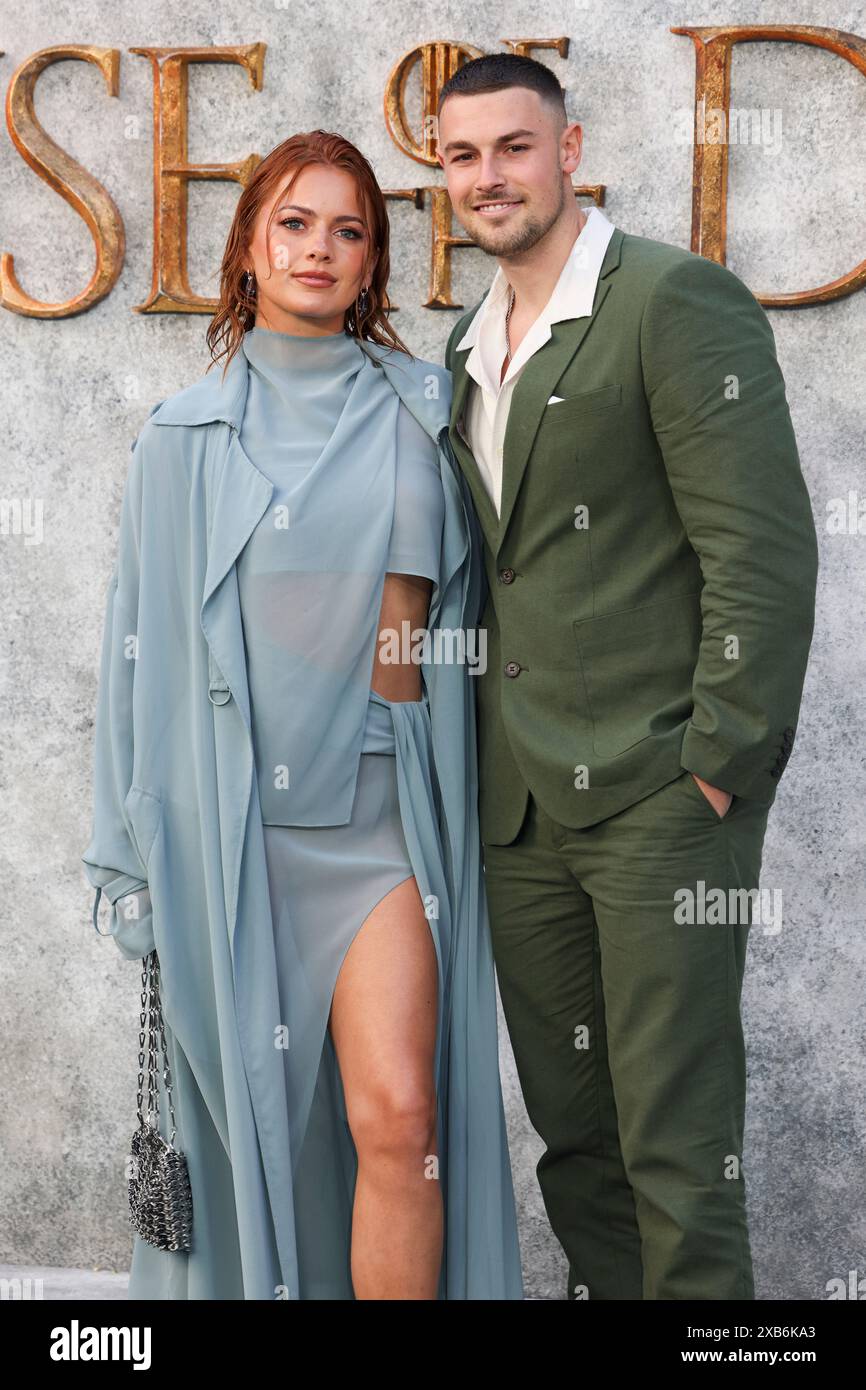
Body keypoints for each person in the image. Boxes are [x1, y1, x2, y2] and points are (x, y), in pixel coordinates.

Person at [81, 129, 524, 1301]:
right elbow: (136, 659)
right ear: (246, 245)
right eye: (293, 222)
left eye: (348, 229)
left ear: (375, 259)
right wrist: (126, 860)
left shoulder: (430, 409)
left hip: (383, 826)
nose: (318, 249)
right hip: (234, 838)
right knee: (254, 1145)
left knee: (402, 1115)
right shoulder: (180, 438)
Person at [436, 54, 819, 1300]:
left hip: (661, 796)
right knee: (577, 1145)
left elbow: (757, 551)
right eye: (459, 156)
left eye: (510, 146)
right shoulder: (467, 339)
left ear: (567, 148)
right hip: (521, 811)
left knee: (675, 1144)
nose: (486, 176)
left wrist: (717, 766)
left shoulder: (669, 298)